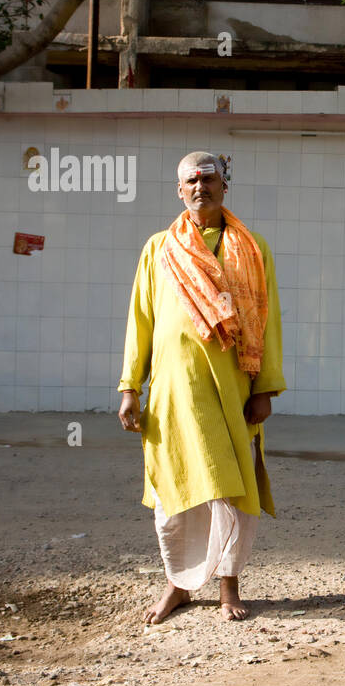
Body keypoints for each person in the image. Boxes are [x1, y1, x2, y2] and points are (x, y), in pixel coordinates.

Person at [118, 151, 285, 622]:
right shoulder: (159, 249)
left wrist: (265, 388)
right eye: (190, 181)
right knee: (175, 488)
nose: (200, 188)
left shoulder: (253, 248)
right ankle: (179, 585)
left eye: (208, 180)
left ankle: (229, 586)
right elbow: (141, 320)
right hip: (173, 392)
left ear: (223, 187)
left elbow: (269, 323)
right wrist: (130, 385)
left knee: (231, 486)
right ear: (179, 190)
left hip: (233, 389)